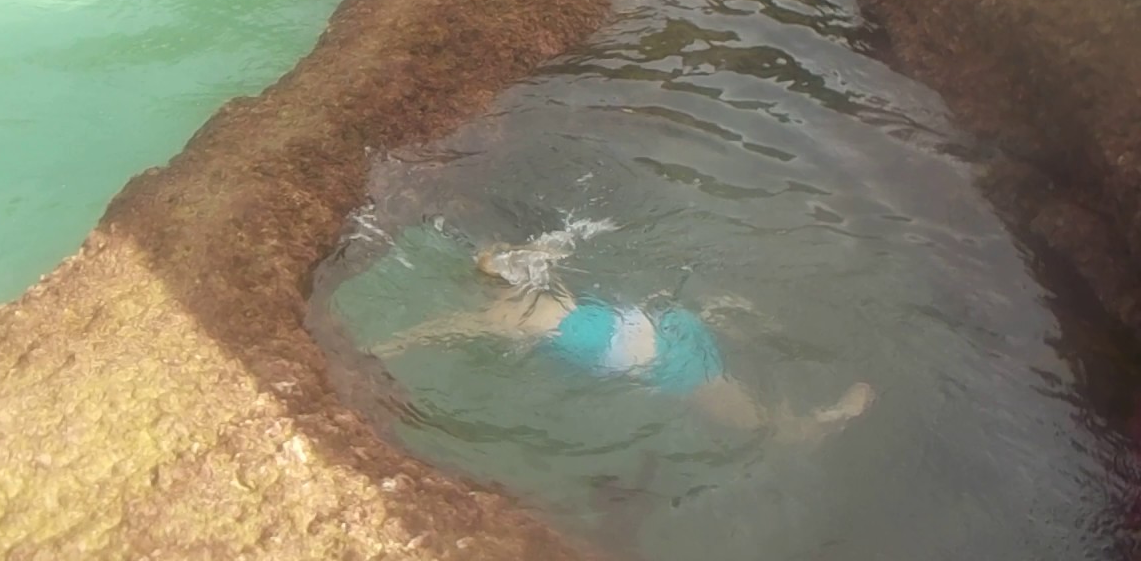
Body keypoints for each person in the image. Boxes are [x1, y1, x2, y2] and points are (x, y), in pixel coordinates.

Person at [369, 241, 876, 441]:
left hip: (662, 363)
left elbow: (430, 332)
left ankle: (819, 427)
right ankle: (754, 335)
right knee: (733, 388)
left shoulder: (500, 319)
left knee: (758, 425)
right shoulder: (547, 283)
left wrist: (378, 352)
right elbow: (553, 246)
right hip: (662, 325)